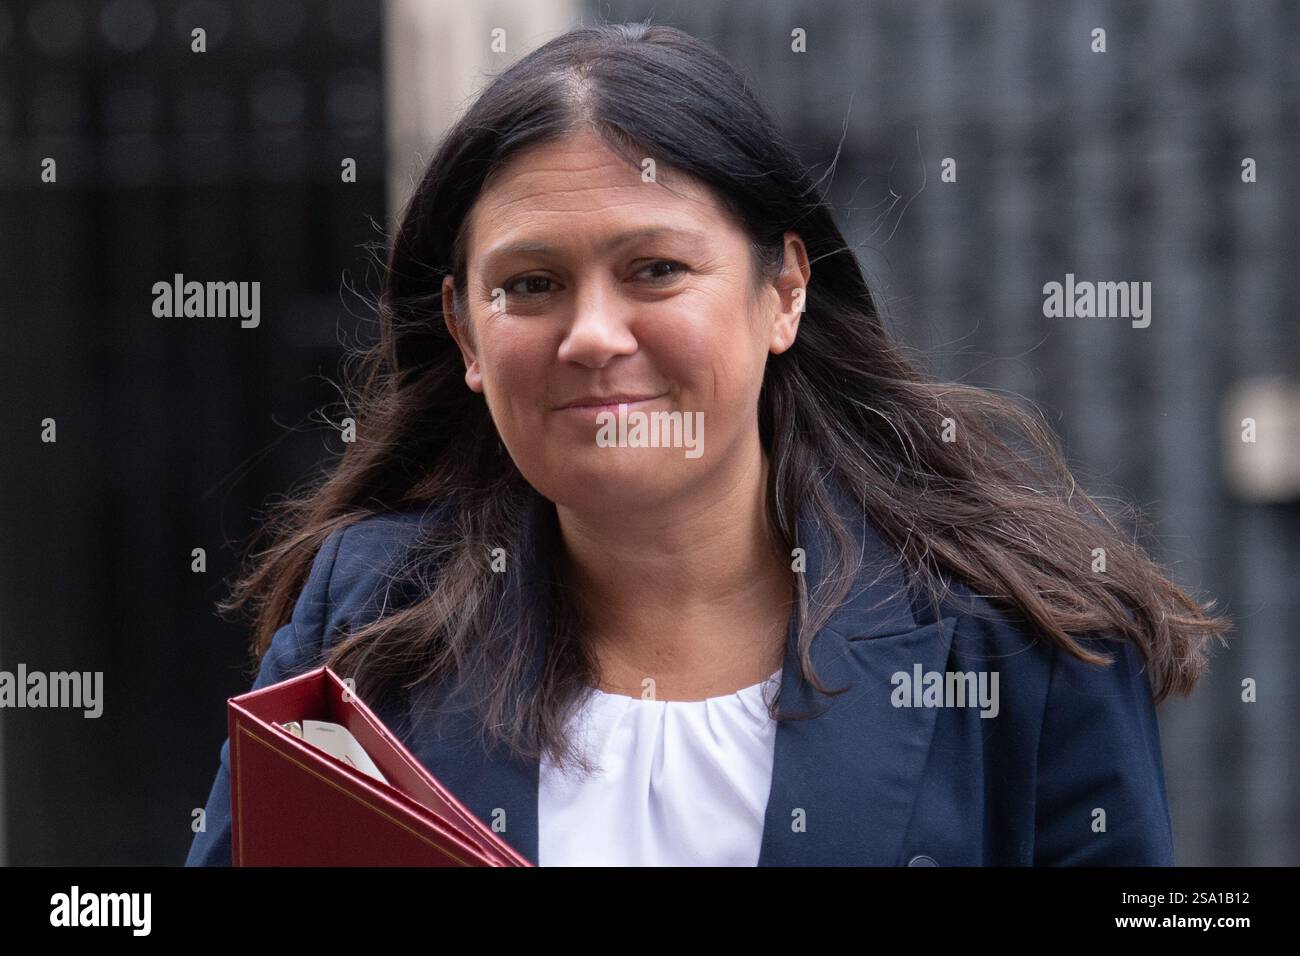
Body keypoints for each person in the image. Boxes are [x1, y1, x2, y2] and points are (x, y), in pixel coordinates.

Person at [185, 21, 1230, 867]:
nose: (594, 335)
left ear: (782, 290)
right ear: (464, 330)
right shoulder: (367, 617)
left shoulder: (1020, 640)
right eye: (531, 284)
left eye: (654, 269)